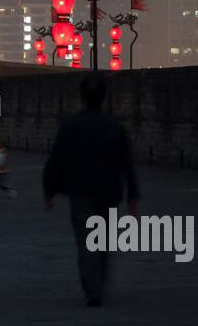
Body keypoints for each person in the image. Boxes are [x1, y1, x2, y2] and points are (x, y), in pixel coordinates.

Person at [43, 72, 140, 307]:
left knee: (86, 241)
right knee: (104, 240)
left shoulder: (71, 126)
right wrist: (133, 196)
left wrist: (49, 190)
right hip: (109, 191)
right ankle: (100, 282)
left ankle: (93, 290)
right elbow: (127, 164)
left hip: (80, 192)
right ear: (104, 97)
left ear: (82, 97)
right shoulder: (114, 127)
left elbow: (56, 161)